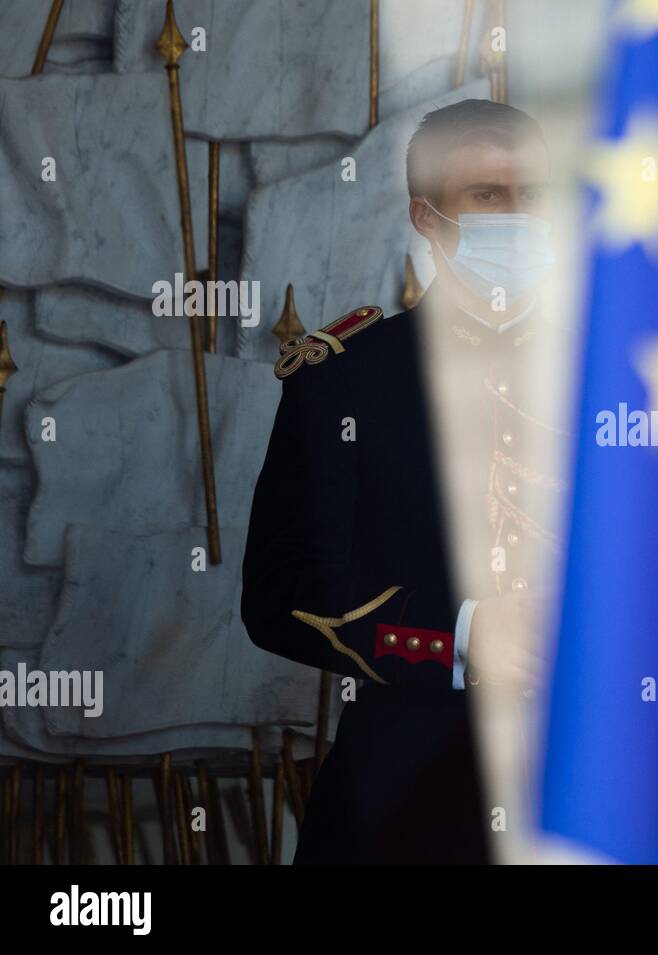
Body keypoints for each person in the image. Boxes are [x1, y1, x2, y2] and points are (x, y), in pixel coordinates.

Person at [241, 99, 565, 864]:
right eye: (488, 196)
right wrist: (464, 635)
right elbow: (282, 596)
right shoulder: (347, 382)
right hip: (406, 805)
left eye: (532, 195)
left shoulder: (611, 372)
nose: (517, 216)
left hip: (588, 789)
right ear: (426, 216)